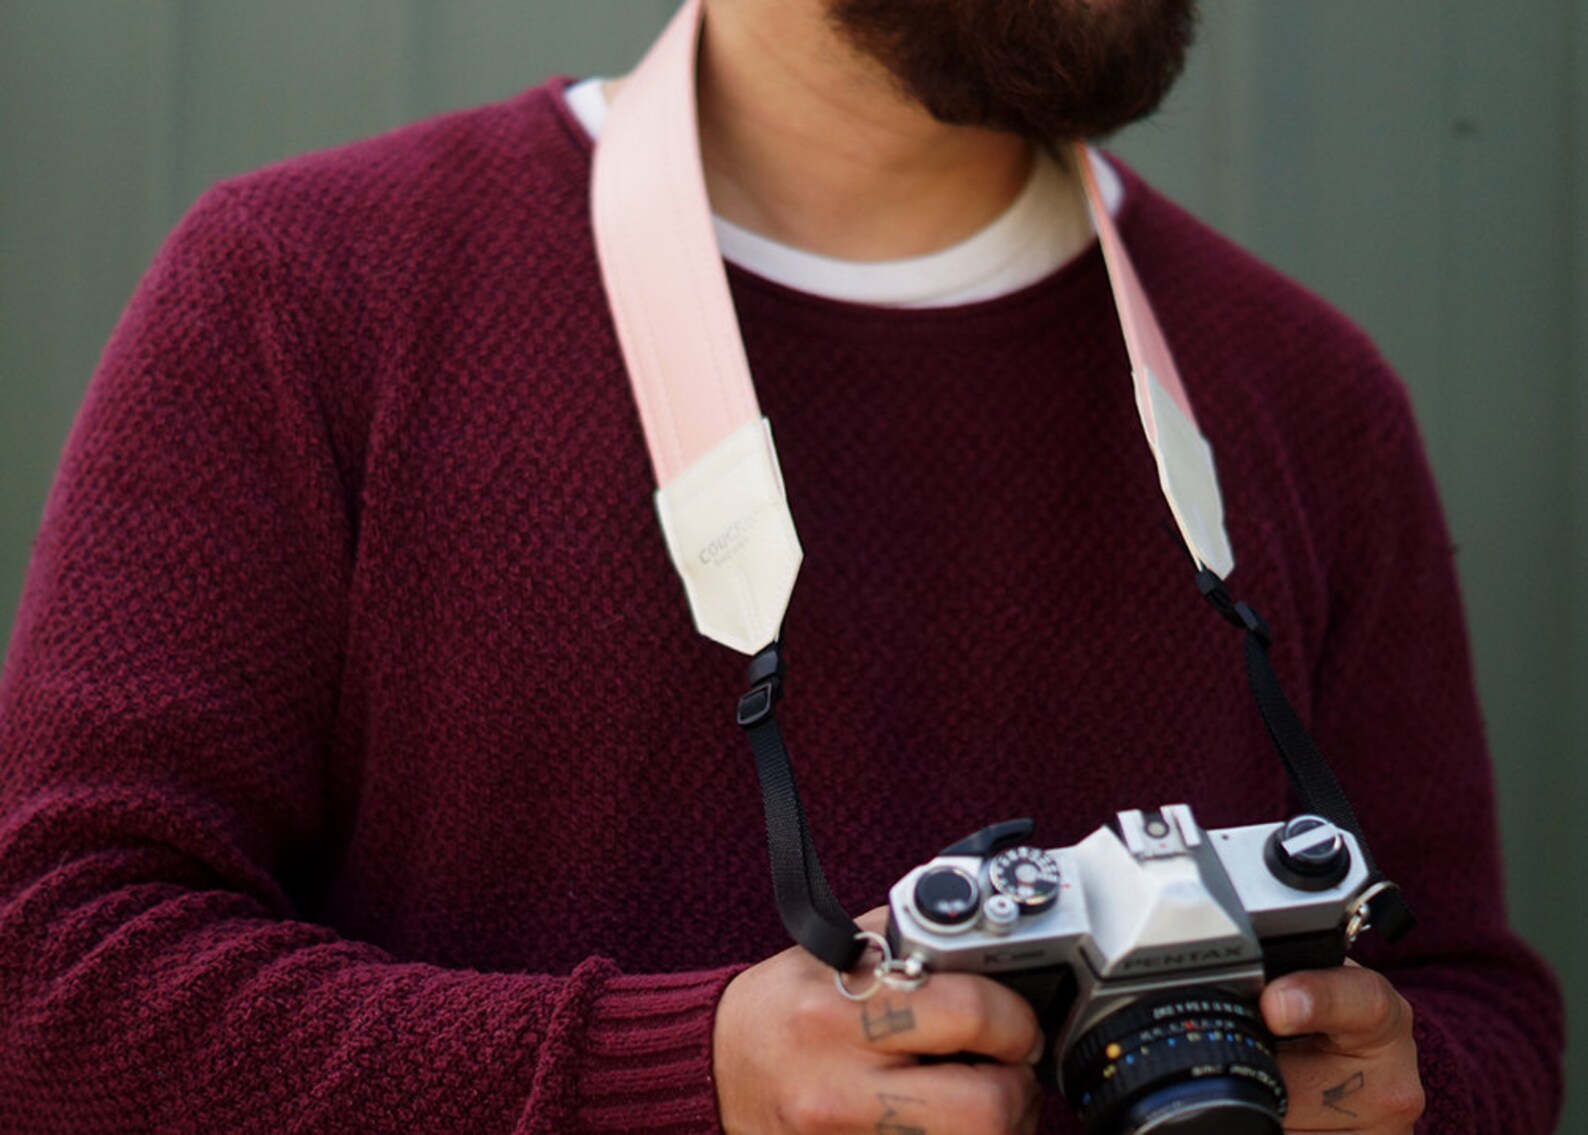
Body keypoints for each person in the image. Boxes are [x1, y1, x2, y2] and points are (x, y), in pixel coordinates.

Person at [0, 0, 1562, 1132]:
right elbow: (51, 980)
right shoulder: (306, 295)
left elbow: (1483, 1013)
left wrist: (1387, 1082)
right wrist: (689, 1079)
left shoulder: (1303, 393)